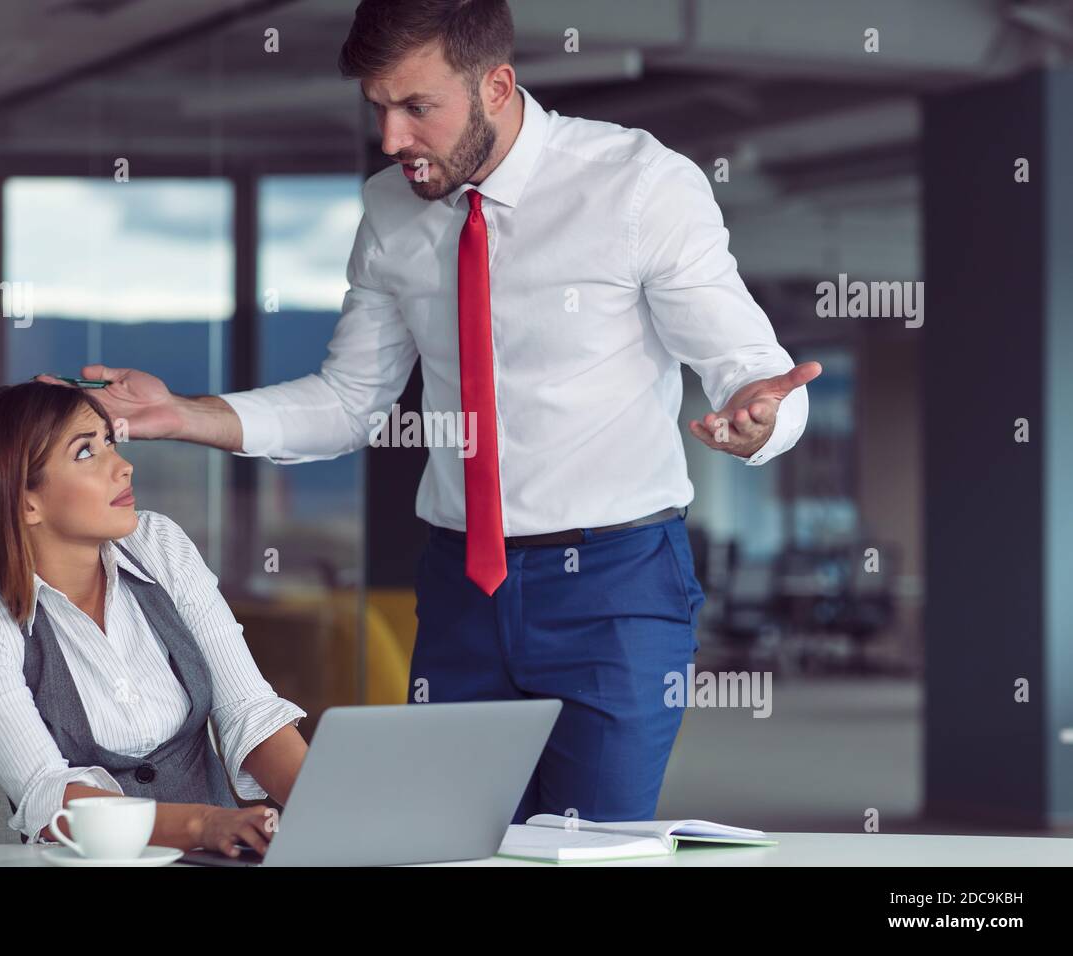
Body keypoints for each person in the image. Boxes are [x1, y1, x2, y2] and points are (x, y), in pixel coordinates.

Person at [42, 0, 821, 825]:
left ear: (497, 85)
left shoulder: (639, 184)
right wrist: (184, 415)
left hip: (615, 586)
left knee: (599, 845)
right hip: (460, 585)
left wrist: (764, 420)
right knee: (454, 839)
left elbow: (750, 372)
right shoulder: (389, 210)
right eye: (378, 108)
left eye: (418, 108)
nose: (391, 139)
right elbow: (347, 403)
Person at [0, 382, 307, 857]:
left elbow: (251, 713)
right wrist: (205, 822)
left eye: (109, 442)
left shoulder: (159, 546)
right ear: (25, 501)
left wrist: (331, 811)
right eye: (85, 452)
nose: (123, 466)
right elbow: (48, 795)